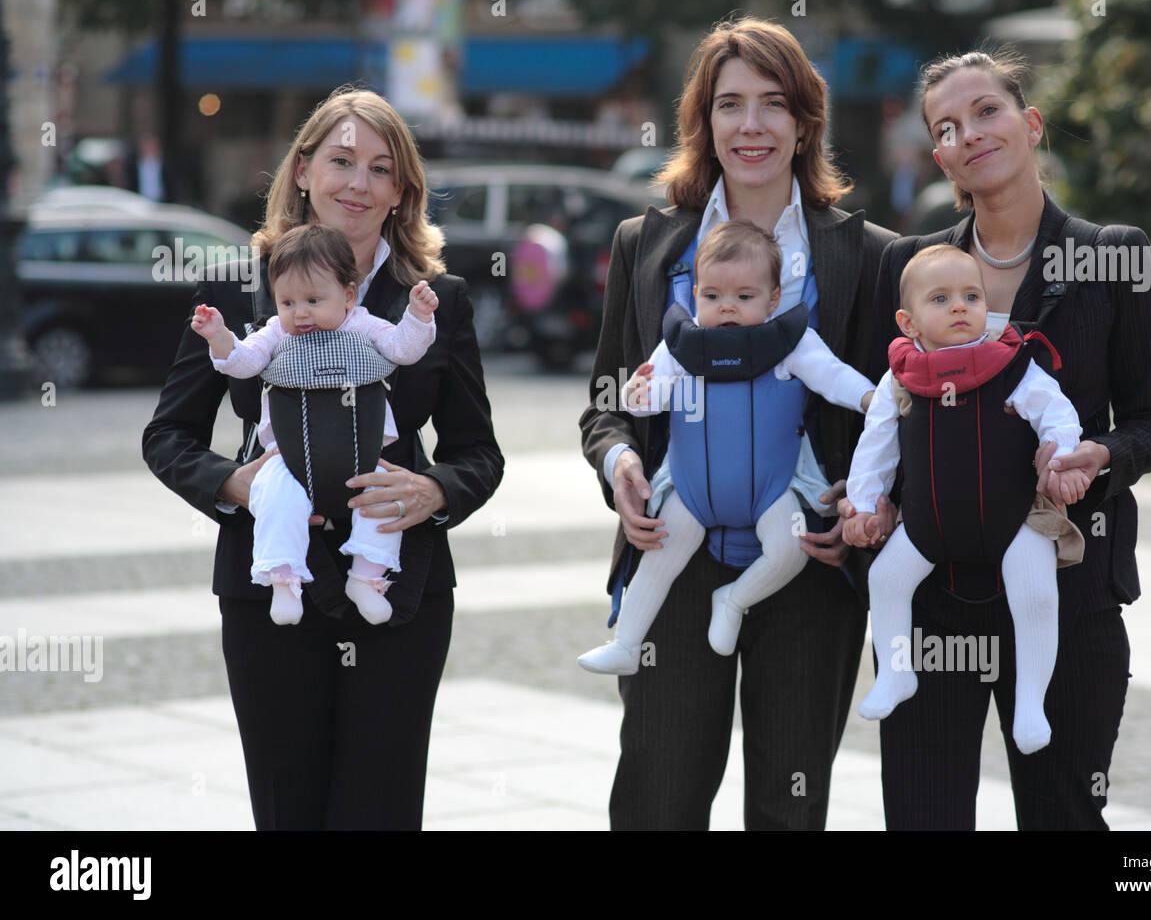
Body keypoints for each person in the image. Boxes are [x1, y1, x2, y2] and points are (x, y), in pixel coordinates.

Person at [143, 86, 504, 830]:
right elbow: (168, 435)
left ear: (401, 191)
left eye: (380, 168)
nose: (358, 184)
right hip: (270, 588)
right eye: (341, 161)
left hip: (401, 590)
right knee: (289, 810)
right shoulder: (238, 287)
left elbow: (477, 452)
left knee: (379, 810)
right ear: (303, 170)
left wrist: (434, 490)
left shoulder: (437, 301)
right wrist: (232, 484)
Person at [578, 17, 897, 830]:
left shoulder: (868, 254)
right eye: (729, 105)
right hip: (673, 558)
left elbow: (891, 412)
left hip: (811, 565)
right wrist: (619, 463)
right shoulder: (644, 244)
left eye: (771, 104)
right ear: (704, 122)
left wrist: (864, 511)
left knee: (790, 805)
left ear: (804, 123)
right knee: (659, 796)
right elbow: (610, 399)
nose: (750, 125)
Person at [860, 51, 1151, 829]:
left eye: (987, 111)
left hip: (1067, 590)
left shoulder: (1113, 256)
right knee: (923, 818)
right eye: (947, 127)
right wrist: (861, 502)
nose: (970, 133)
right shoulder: (909, 265)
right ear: (938, 156)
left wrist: (1098, 456)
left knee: (1063, 816)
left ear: (1030, 124)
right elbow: (884, 413)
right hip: (935, 595)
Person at [578, 220, 874, 674]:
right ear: (695, 292)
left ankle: (735, 598)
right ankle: (627, 643)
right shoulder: (678, 344)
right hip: (691, 492)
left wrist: (870, 397)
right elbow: (649, 401)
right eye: (712, 296)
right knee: (660, 553)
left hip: (774, 490)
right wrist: (637, 396)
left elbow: (833, 376)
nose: (727, 308)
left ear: (774, 299)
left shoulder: (793, 342)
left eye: (744, 297)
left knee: (792, 547)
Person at [842, 244, 1087, 754]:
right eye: (941, 298)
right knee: (885, 579)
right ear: (908, 322)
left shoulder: (1012, 365)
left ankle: (1030, 704)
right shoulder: (899, 378)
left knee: (1037, 594)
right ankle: (895, 672)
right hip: (928, 524)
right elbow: (875, 446)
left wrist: (1061, 456)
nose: (959, 306)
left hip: (1014, 518)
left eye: (971, 296)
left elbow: (1057, 414)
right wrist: (864, 505)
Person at [190, 223, 440, 626]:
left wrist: (418, 316)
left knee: (380, 500)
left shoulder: (363, 325)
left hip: (362, 453)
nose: (299, 312)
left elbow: (404, 350)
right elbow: (244, 363)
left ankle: (367, 576)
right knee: (274, 498)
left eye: (312, 300)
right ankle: (284, 580)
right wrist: (220, 338)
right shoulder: (275, 333)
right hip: (286, 456)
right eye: (286, 302)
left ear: (347, 295)